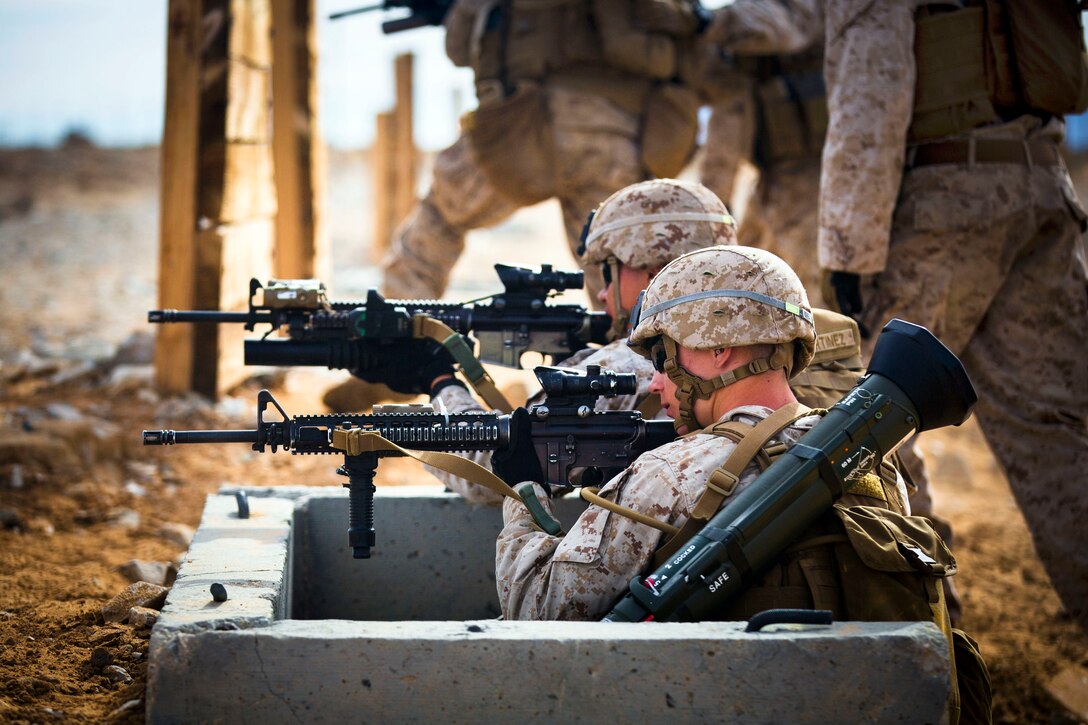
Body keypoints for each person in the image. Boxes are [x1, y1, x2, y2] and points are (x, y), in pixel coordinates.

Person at [705, 0, 1088, 627]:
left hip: (943, 200)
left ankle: (925, 634)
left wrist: (847, 257)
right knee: (1059, 438)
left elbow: (870, 89)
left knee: (867, 421)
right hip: (1042, 181)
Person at [494, 244, 984, 722]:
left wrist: (523, 492)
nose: (657, 382)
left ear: (719, 347)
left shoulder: (670, 473)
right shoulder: (874, 462)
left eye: (664, 357)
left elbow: (539, 616)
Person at [425, 178, 738, 505]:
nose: (603, 293)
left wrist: (440, 382)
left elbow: (487, 471)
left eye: (610, 272)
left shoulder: (628, 364)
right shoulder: (753, 351)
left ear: (655, 273)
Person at [380, 0, 706, 306]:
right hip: (608, 130)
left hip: (518, 127)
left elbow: (460, 48)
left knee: (438, 222)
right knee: (619, 264)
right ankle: (643, 354)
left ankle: (394, 336)